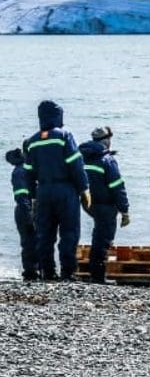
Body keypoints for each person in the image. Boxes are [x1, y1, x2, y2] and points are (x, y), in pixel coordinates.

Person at [23, 100, 90, 281]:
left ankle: (47, 271)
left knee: (45, 233)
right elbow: (76, 164)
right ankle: (68, 272)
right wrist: (84, 188)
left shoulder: (32, 141)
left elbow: (28, 173)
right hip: (65, 189)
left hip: (43, 191)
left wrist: (33, 197)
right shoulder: (64, 135)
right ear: (57, 116)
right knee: (69, 231)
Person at [79, 126, 130, 284]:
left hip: (87, 203)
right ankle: (98, 276)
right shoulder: (107, 160)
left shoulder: (83, 156)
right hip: (105, 205)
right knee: (104, 238)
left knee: (98, 233)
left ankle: (94, 272)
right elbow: (117, 187)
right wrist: (124, 210)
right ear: (107, 140)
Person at [6, 148, 39, 280]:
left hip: (26, 208)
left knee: (32, 241)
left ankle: (33, 269)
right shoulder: (21, 171)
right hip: (25, 209)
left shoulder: (24, 169)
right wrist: (28, 213)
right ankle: (30, 271)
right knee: (29, 241)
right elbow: (21, 195)